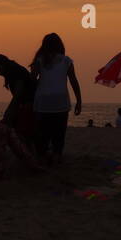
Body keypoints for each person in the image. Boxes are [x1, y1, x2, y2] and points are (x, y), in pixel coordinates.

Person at [29, 32, 82, 165]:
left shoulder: (40, 60)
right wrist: (79, 101)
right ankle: (56, 155)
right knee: (59, 132)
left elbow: (32, 80)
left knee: (42, 132)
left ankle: (42, 156)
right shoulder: (66, 60)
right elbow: (74, 82)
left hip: (43, 101)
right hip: (60, 101)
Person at [0, 53, 36, 144]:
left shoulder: (16, 72)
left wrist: (10, 110)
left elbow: (18, 94)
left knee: (23, 133)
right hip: (26, 104)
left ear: (1, 66)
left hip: (29, 105)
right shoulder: (14, 70)